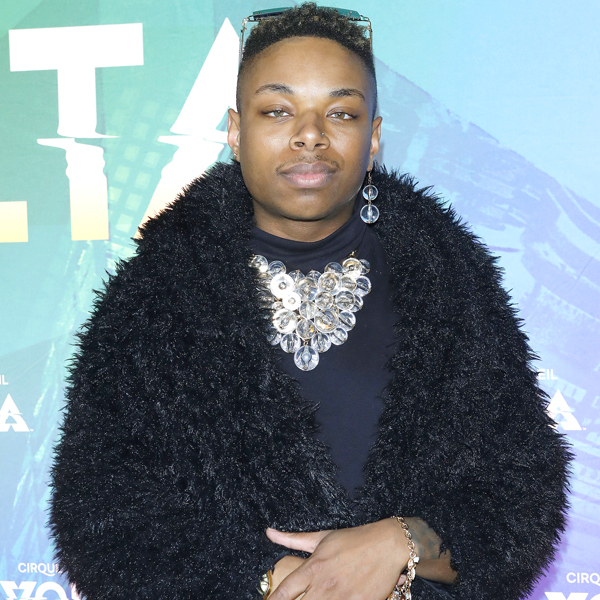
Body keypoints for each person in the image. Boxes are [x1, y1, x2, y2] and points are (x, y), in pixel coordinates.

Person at [48, 4, 571, 600]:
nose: (310, 134)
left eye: (341, 113)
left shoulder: (452, 284)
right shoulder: (156, 296)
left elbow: (522, 497)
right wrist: (277, 580)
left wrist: (401, 543)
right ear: (235, 131)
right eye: (277, 110)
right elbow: (100, 520)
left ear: (373, 137)